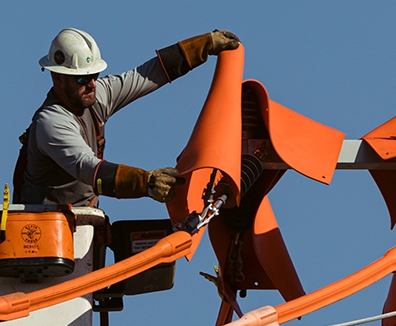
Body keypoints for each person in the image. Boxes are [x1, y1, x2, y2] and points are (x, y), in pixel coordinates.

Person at [13, 28, 241, 205]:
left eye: (94, 75)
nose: (92, 84)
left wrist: (204, 44)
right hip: (44, 236)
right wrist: (146, 183)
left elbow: (146, 76)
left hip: (81, 226)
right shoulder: (51, 122)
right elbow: (88, 167)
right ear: (58, 78)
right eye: (82, 78)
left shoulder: (94, 95)